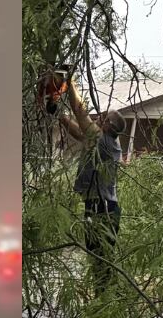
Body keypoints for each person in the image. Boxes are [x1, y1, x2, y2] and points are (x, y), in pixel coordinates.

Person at [46, 74, 125, 294]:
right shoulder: (98, 140)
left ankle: (106, 304)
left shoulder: (104, 141)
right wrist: (59, 115)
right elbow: (79, 133)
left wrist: (69, 81)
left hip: (104, 211)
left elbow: (80, 113)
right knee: (96, 258)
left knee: (101, 261)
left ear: (108, 126)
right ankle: (104, 302)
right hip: (96, 207)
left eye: (104, 117)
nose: (99, 116)